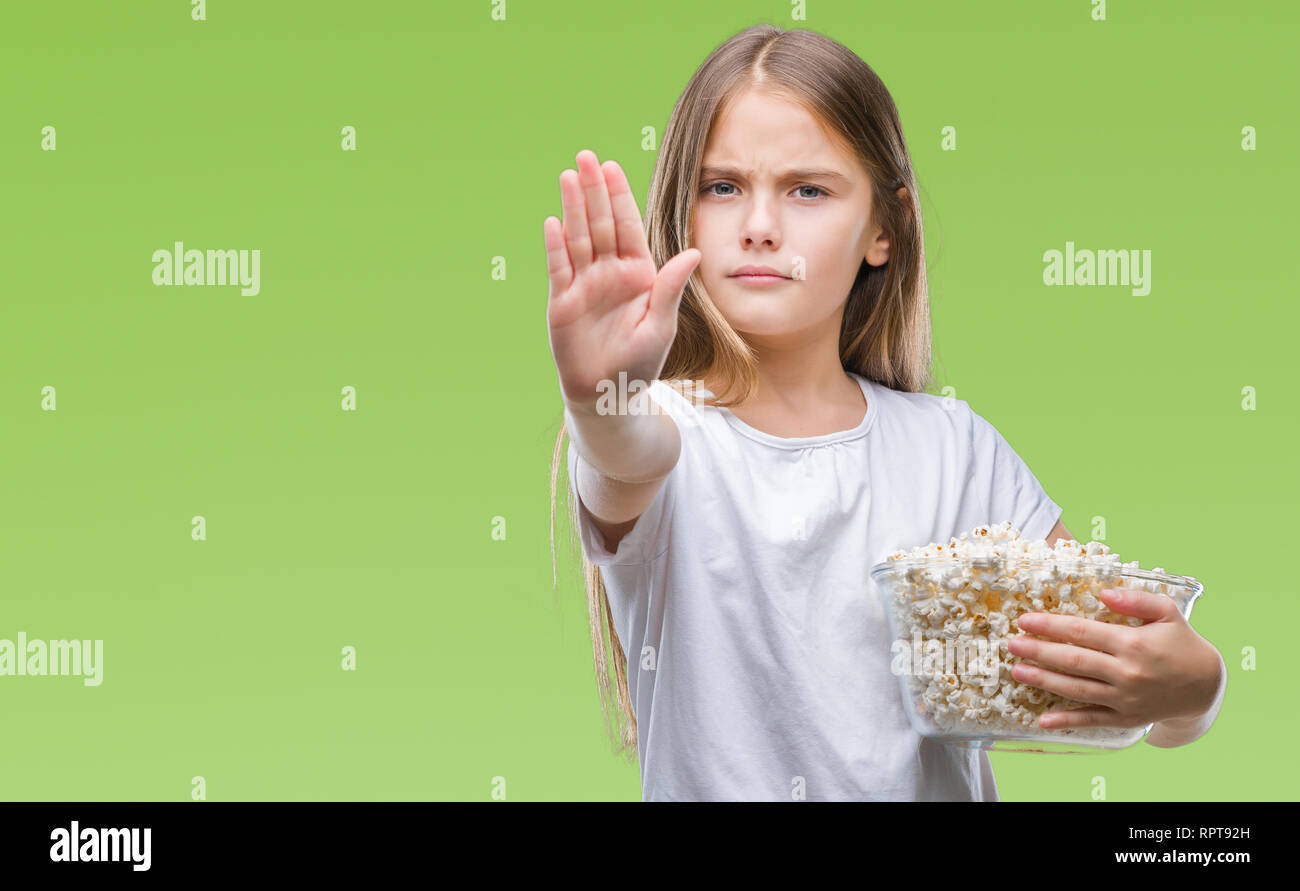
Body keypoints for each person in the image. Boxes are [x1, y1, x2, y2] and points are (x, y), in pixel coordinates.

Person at [544, 24, 1226, 801]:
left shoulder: (952, 450)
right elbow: (625, 452)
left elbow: (1118, 672)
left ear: (883, 228)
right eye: (722, 186)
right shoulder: (668, 428)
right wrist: (598, 395)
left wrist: (1193, 690)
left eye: (808, 189)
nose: (759, 224)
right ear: (687, 212)